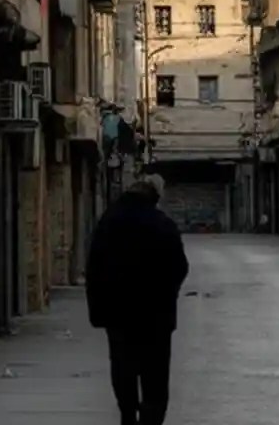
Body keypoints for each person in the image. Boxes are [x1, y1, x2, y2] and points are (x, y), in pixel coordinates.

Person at [86, 176, 189, 425]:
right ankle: (151, 418)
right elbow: (179, 267)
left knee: (123, 367)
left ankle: (127, 413)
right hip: (156, 316)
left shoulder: (108, 222)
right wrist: (167, 294)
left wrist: (98, 309)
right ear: (155, 196)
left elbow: (94, 268)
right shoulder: (162, 224)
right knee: (155, 374)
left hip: (117, 314)